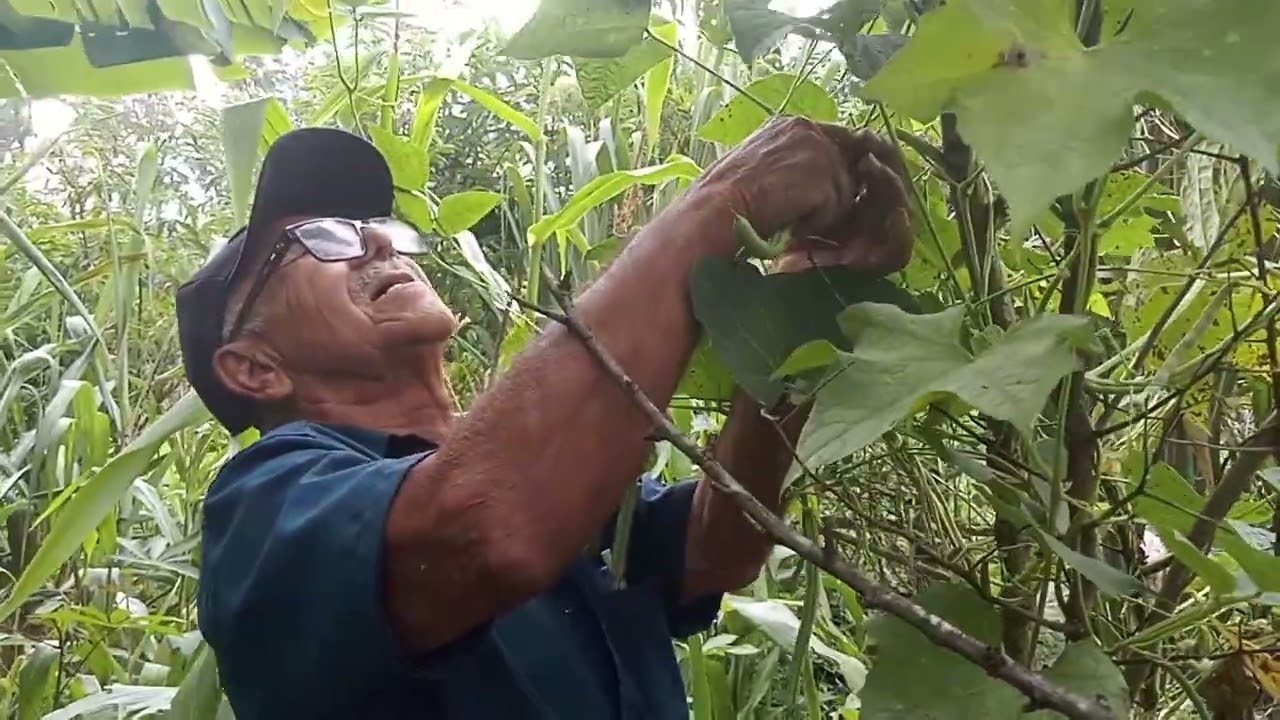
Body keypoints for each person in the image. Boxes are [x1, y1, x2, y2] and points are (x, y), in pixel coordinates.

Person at [175, 116, 912, 719]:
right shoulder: (266, 505)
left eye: (377, 227)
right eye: (320, 241)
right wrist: (724, 204)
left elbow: (715, 546)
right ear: (254, 367)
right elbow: (485, 525)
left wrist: (802, 297)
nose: (373, 239)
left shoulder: (550, 476)